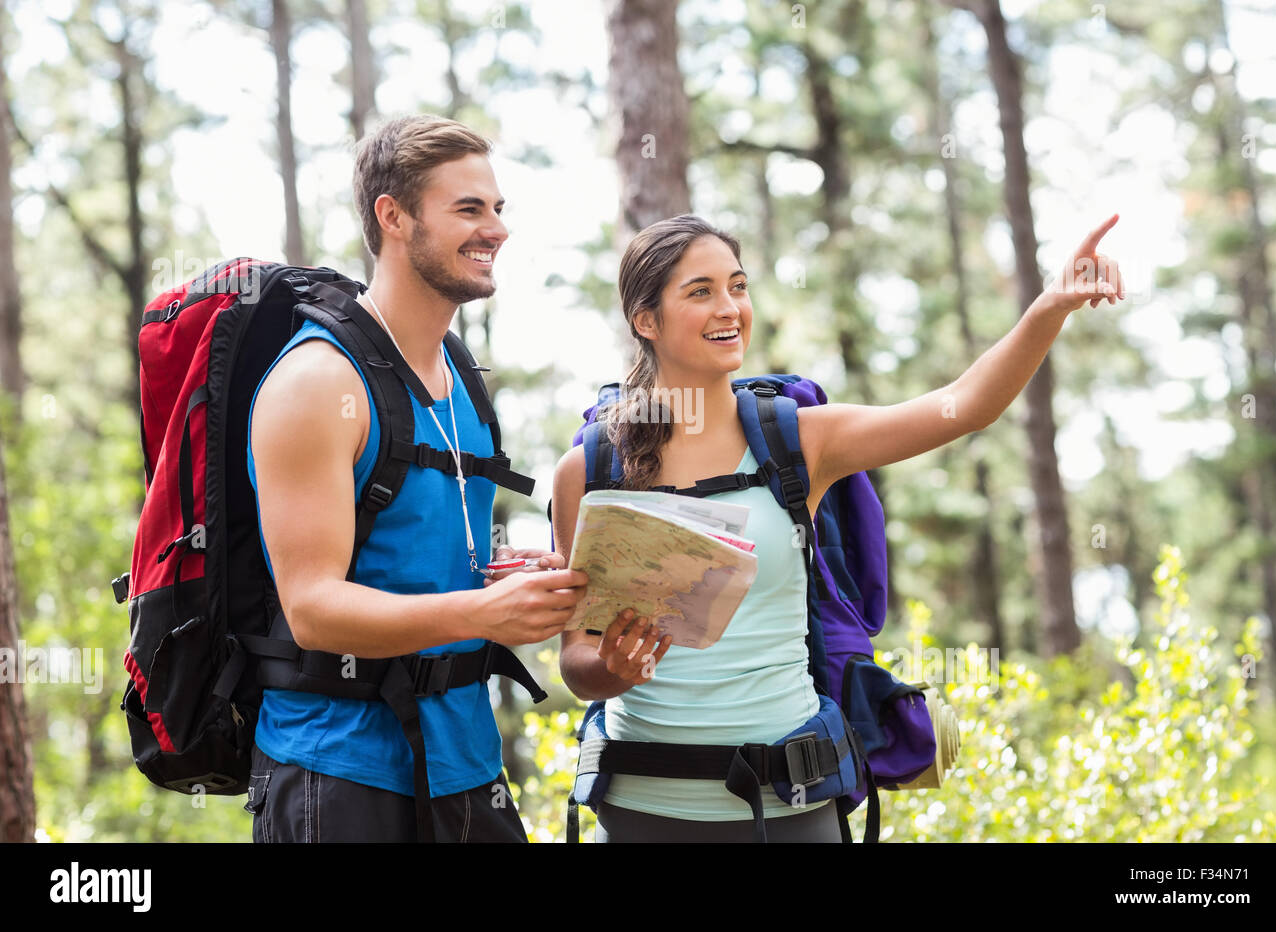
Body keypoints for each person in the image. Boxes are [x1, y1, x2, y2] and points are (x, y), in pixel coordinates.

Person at [551, 212, 1123, 842]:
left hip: (792, 809)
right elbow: (577, 663)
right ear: (646, 320)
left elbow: (966, 405)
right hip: (641, 811)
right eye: (700, 291)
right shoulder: (589, 469)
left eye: (738, 286)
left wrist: (1051, 306)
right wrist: (616, 669)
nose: (729, 308)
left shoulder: (799, 440)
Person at [245, 115, 587, 842]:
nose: (495, 229)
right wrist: (481, 617)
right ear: (392, 217)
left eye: (498, 209)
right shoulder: (316, 382)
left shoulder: (461, 373)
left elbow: (425, 561)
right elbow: (312, 609)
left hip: (466, 765)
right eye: (468, 209)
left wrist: (509, 582)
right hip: (339, 773)